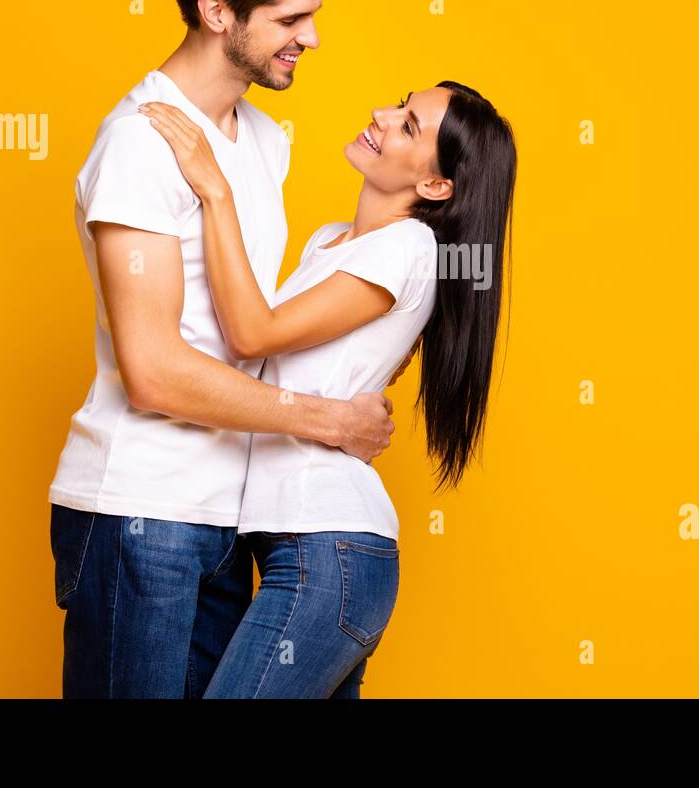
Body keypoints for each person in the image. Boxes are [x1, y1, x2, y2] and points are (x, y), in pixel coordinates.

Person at [47, 0, 397, 699]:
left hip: (228, 516)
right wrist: (329, 421)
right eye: (289, 19)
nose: (311, 37)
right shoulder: (140, 142)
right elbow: (156, 372)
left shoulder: (264, 140)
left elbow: (249, 328)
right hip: (140, 510)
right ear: (216, 12)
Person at [137, 78, 517, 698]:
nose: (382, 115)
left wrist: (214, 188)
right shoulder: (330, 242)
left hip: (327, 554)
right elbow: (328, 365)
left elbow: (253, 334)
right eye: (399, 105)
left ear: (435, 187)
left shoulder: (411, 246)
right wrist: (346, 410)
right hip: (299, 550)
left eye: (409, 125)